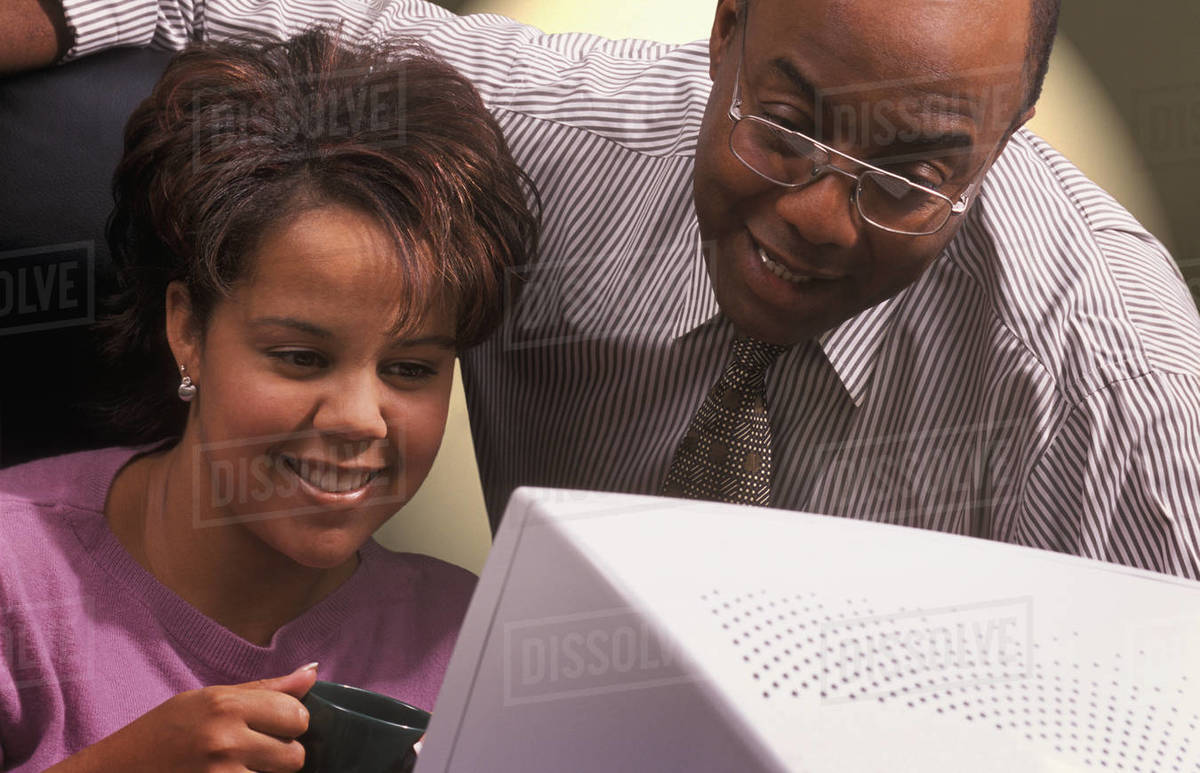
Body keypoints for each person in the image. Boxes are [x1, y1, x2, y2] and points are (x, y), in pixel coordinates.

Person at [8, 0, 1200, 580]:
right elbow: (200, 2)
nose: (821, 219)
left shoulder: (1116, 372)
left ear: (1011, 135)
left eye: (911, 172)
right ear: (724, 31)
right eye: (784, 129)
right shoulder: (550, 127)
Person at [0, 28, 537, 772]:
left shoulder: (478, 644)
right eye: (301, 357)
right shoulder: (15, 579)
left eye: (410, 369)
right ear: (187, 327)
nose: (358, 417)